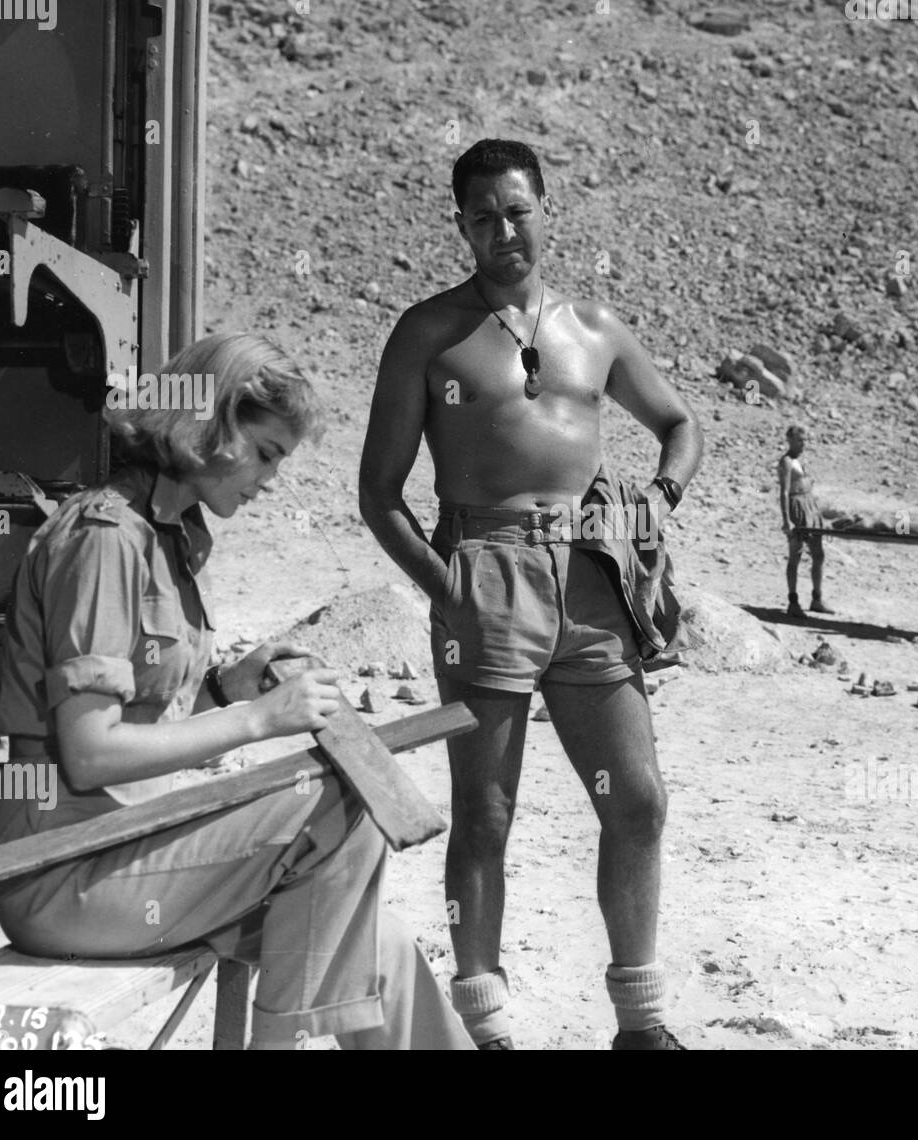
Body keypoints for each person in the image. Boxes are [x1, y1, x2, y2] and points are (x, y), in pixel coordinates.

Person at [0, 331, 472, 1050]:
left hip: (132, 851)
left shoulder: (169, 537)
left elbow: (147, 718)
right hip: (64, 876)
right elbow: (90, 753)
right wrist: (257, 719)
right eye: (268, 452)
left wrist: (225, 687)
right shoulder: (105, 541)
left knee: (384, 949)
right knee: (338, 809)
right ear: (211, 421)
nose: (271, 478)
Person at [359, 139, 703, 1050]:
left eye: (517, 210)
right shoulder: (429, 333)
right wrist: (449, 589)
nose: (502, 230)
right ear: (462, 226)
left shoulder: (594, 328)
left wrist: (655, 508)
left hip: (591, 578)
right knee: (486, 810)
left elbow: (678, 424)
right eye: (482, 216)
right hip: (486, 570)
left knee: (637, 799)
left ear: (545, 207)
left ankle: (641, 1022)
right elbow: (378, 492)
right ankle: (489, 1026)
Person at [779, 425, 833, 618]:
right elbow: (784, 492)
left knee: (818, 555)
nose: (804, 444)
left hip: (810, 507)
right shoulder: (786, 462)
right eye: (800, 440)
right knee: (795, 556)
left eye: (805, 440)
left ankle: (817, 598)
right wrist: (787, 520)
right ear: (791, 440)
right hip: (797, 509)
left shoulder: (800, 460)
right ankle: (793, 602)